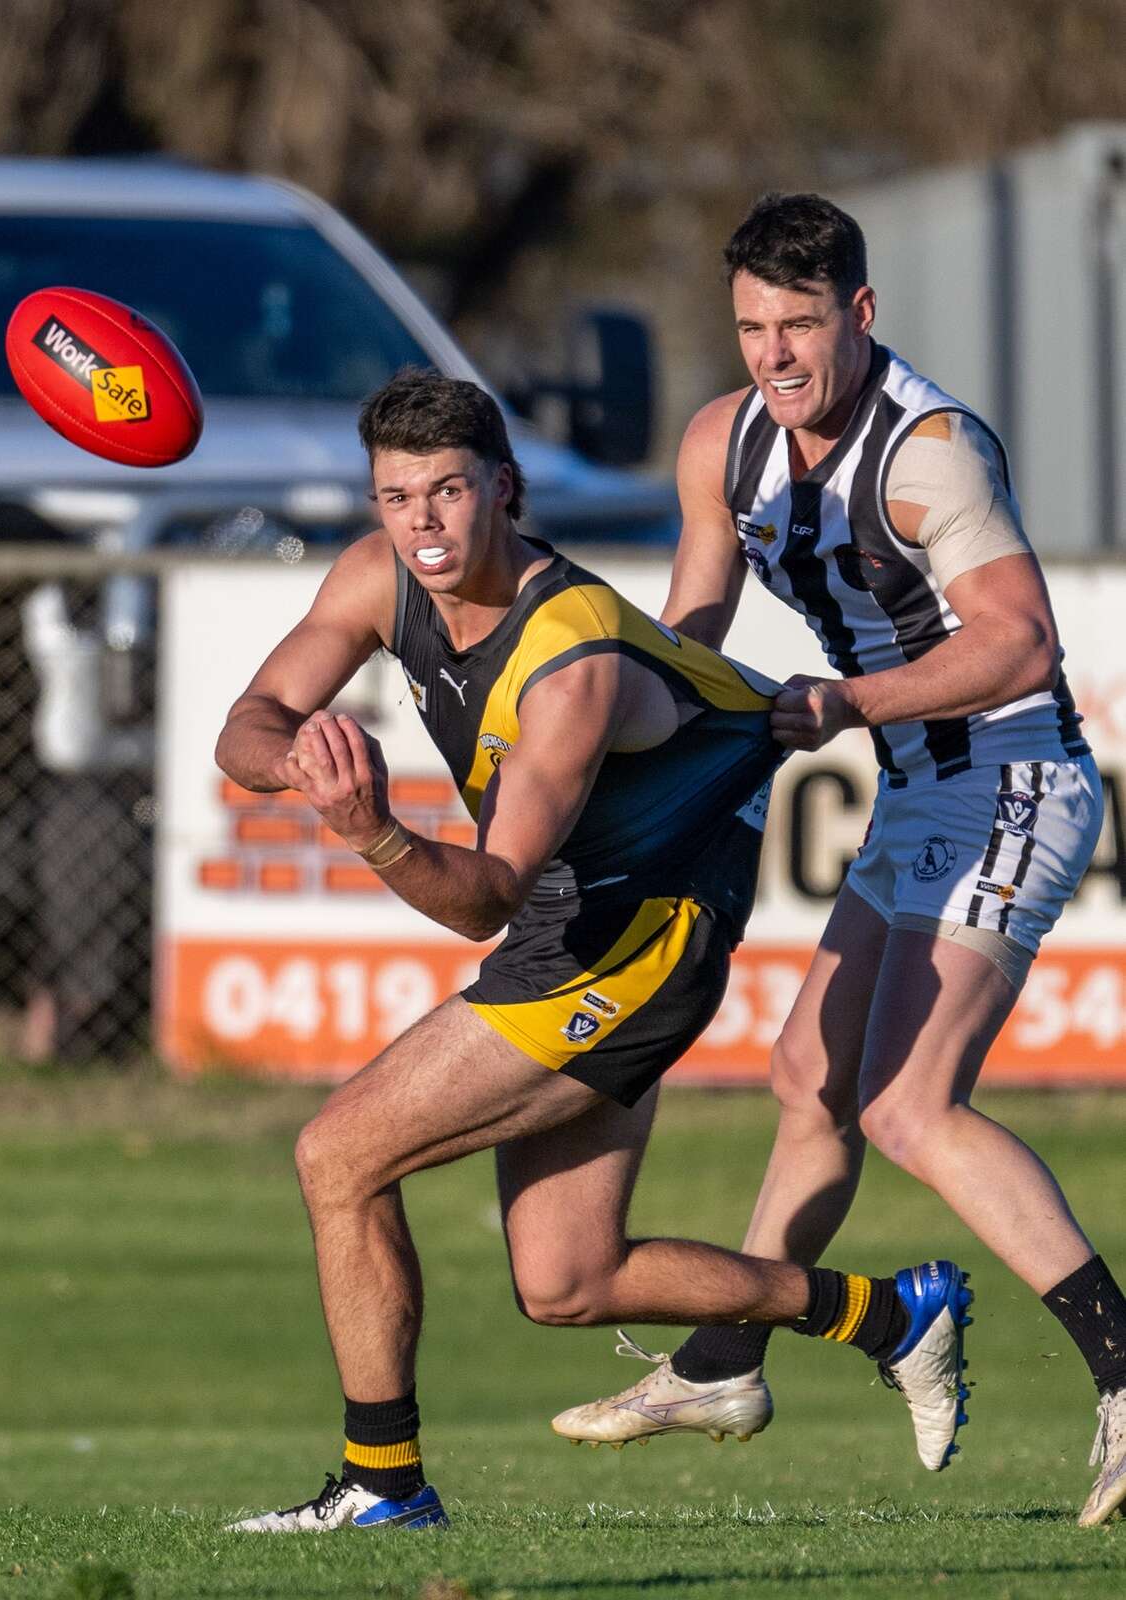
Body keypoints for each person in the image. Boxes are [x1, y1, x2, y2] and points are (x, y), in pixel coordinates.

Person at [216, 368, 969, 1533]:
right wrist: (300, 756)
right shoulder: (378, 576)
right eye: (395, 494)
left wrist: (367, 826)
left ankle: (384, 1483)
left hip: (638, 939)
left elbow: (485, 900)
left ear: (505, 491)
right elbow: (245, 724)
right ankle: (892, 1312)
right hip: (582, 921)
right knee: (566, 1279)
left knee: (338, 1155)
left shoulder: (571, 660)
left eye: (448, 491)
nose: (419, 521)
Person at [549, 192, 1126, 1527]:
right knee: (805, 1076)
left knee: (905, 1107)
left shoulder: (928, 454)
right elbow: (687, 635)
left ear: (857, 315)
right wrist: (613, 736)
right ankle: (722, 1362)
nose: (772, 354)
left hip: (1010, 779)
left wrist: (848, 706)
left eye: (798, 324)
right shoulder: (720, 442)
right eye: (749, 325)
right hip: (915, 787)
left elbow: (1020, 645)